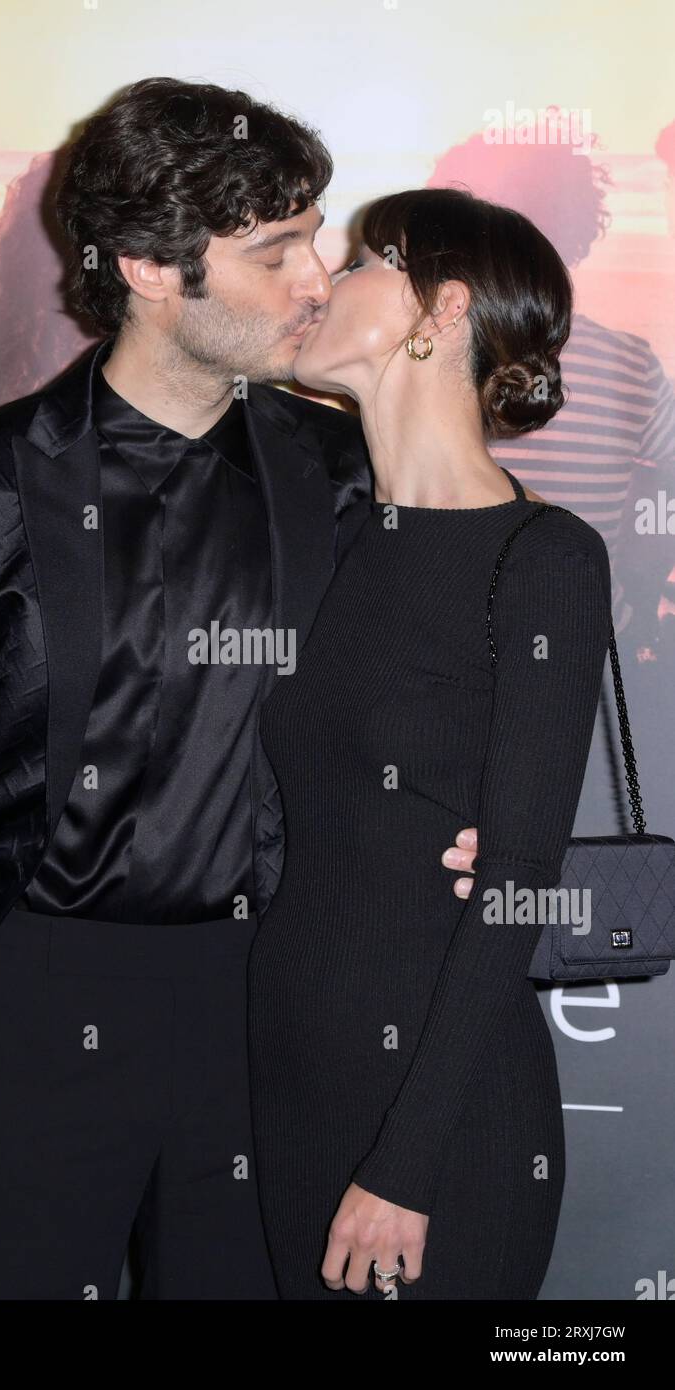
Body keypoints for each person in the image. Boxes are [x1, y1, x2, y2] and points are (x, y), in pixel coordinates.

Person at [0, 79, 477, 1301]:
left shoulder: (341, 473)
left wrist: (454, 809)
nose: (316, 279)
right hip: (32, 995)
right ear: (148, 268)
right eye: (274, 250)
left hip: (265, 1006)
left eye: (314, 239)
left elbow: (416, 694)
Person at [246, 187, 612, 1300]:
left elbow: (514, 881)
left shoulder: (542, 558)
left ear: (438, 309)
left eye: (361, 258)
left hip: (436, 1126)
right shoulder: (332, 533)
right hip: (285, 1090)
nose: (325, 279)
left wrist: (403, 1168)